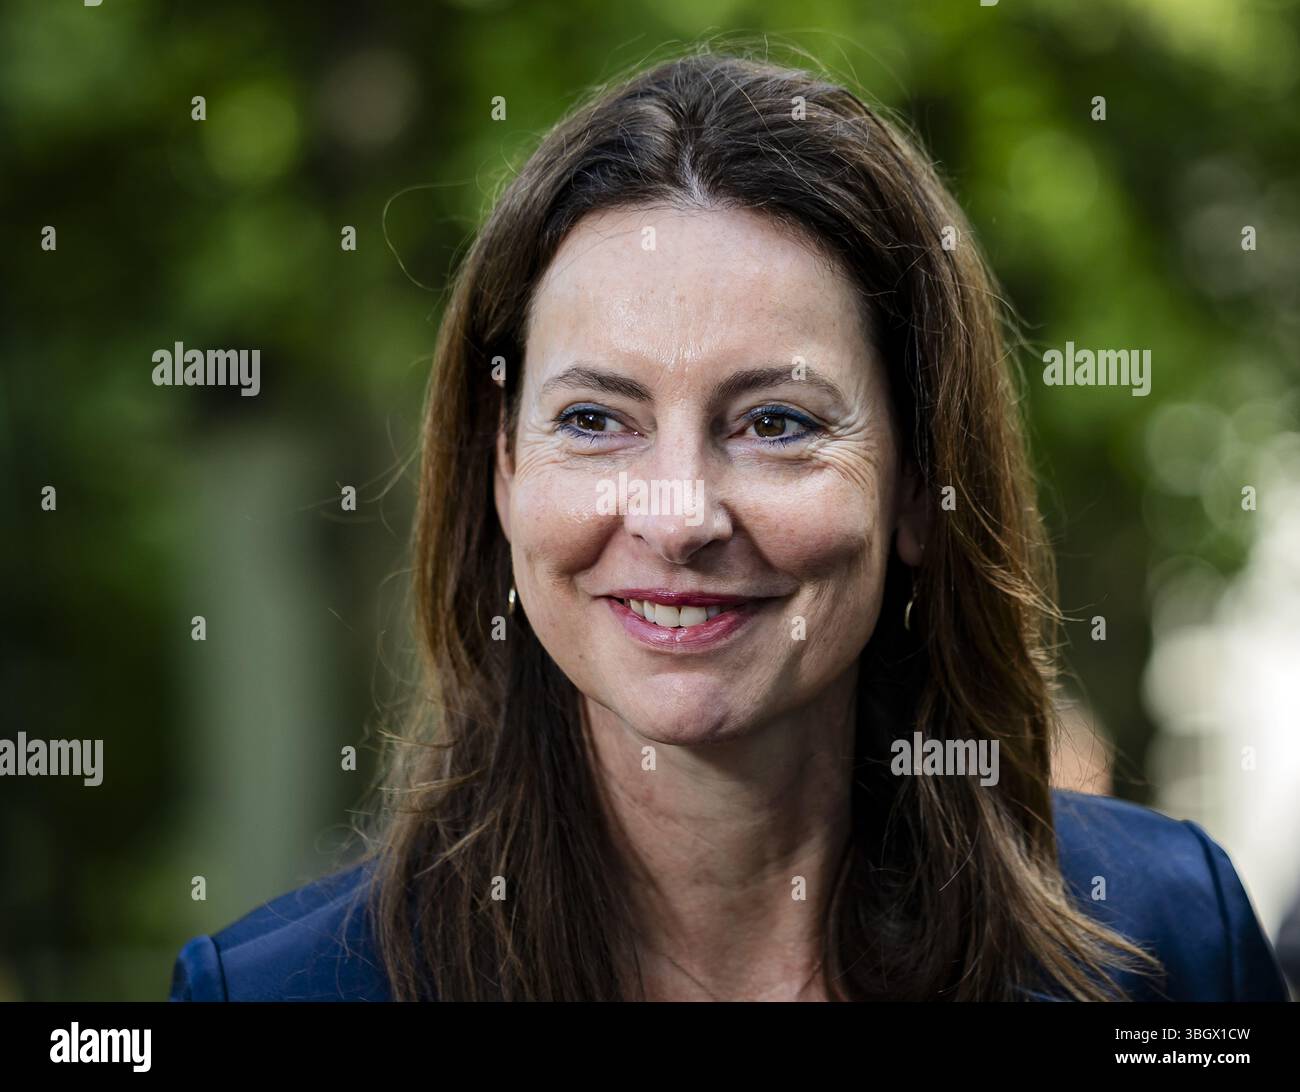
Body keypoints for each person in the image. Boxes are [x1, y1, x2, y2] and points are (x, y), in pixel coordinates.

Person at [169, 48, 1288, 1002]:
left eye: (775, 422)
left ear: (916, 486)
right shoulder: (280, 991)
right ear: (503, 469)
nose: (679, 514)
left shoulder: (1161, 941)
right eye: (597, 418)